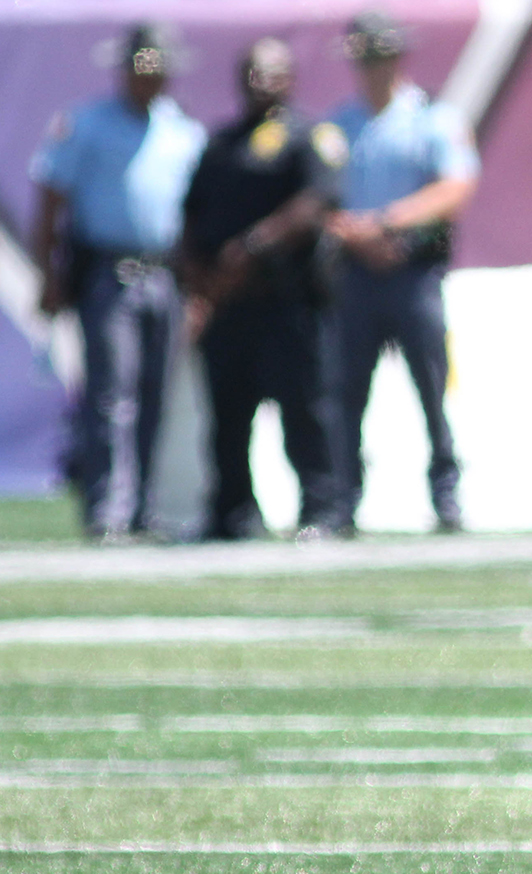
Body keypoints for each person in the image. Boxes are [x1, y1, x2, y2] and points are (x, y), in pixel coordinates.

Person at [28, 22, 206, 542]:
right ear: (123, 70)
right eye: (141, 68)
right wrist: (48, 273)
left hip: (165, 273)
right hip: (109, 270)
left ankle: (144, 506)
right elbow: (51, 198)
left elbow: (193, 214)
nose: (149, 78)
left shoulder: (182, 130)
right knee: (112, 394)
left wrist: (196, 284)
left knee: (154, 394)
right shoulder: (86, 124)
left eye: (158, 69)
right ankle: (108, 507)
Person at [179, 39, 345, 541]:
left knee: (304, 410)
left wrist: (253, 247)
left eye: (271, 72)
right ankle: (230, 512)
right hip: (230, 304)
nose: (260, 81)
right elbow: (191, 212)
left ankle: (321, 508)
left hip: (286, 301)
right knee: (228, 416)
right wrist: (198, 273)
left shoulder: (309, 135)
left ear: (290, 78)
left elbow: (318, 201)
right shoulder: (221, 143)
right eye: (252, 71)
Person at [321, 10, 480, 534]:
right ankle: (343, 497)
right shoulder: (339, 126)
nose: (375, 67)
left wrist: (388, 223)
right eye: (366, 57)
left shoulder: (432, 117)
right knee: (347, 392)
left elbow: (455, 187)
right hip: (357, 274)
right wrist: (358, 236)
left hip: (414, 271)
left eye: (382, 55)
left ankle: (446, 493)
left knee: (431, 388)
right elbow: (321, 201)